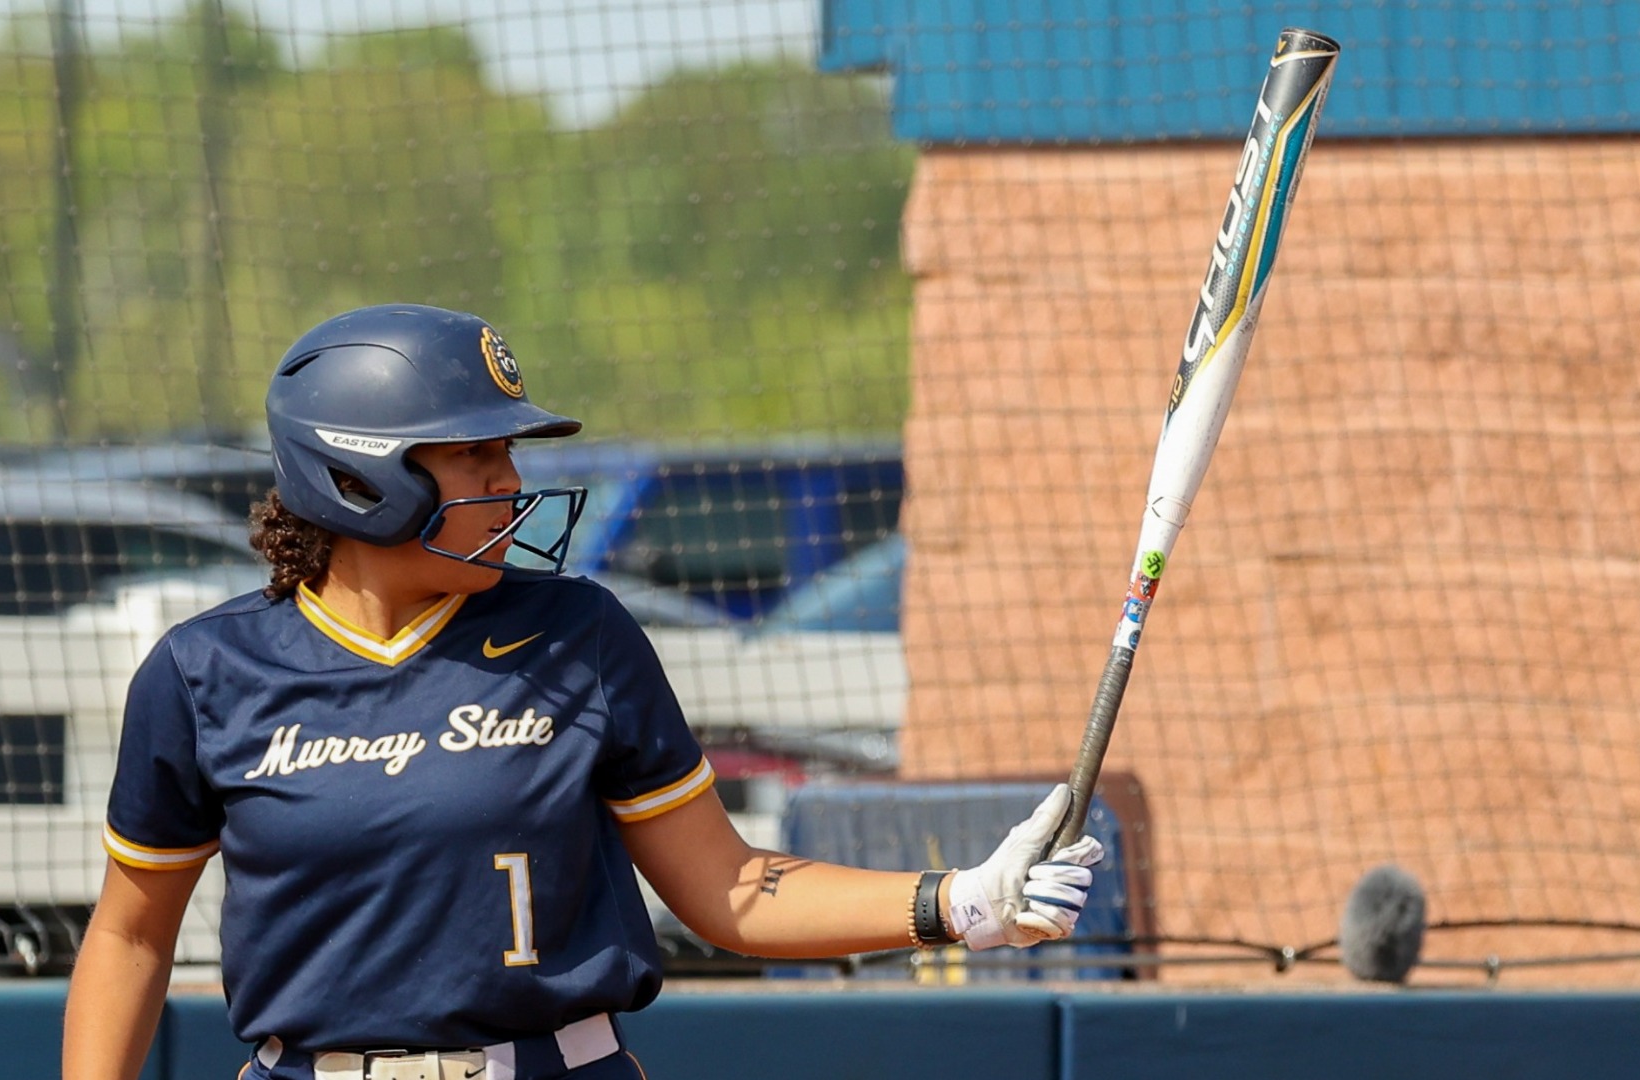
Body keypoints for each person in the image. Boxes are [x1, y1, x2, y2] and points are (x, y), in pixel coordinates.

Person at [62, 303, 1104, 1080]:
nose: (508, 478)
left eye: (507, 446)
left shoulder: (578, 631)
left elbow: (730, 889)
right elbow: (131, 935)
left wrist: (956, 902)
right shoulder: (207, 674)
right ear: (359, 475)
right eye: (474, 448)